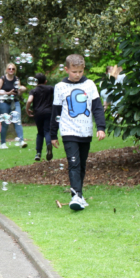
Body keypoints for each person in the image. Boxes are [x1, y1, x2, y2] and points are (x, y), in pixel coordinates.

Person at [49, 54, 106, 211]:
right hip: (68, 131)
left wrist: (101, 127)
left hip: (85, 131)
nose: (77, 75)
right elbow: (56, 111)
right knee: (73, 163)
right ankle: (75, 195)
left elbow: (97, 108)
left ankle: (79, 195)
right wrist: (53, 134)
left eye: (80, 71)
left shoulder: (89, 85)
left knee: (81, 164)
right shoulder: (60, 87)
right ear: (67, 69)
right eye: (74, 71)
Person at [0, 63, 28, 149]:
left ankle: (21, 141)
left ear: (15, 70)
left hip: (14, 101)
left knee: (17, 120)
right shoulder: (3, 79)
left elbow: (19, 92)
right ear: (6, 70)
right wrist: (7, 93)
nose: (11, 70)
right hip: (4, 102)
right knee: (5, 122)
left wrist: (22, 90)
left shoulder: (16, 79)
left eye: (13, 69)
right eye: (9, 68)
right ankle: (2, 143)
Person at [26, 73, 55, 161]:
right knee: (47, 130)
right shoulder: (50, 88)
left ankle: (38, 153)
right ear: (45, 81)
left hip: (38, 113)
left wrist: (27, 109)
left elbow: (29, 100)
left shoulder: (34, 90)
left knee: (40, 133)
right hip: (49, 112)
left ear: (35, 82)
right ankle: (49, 145)